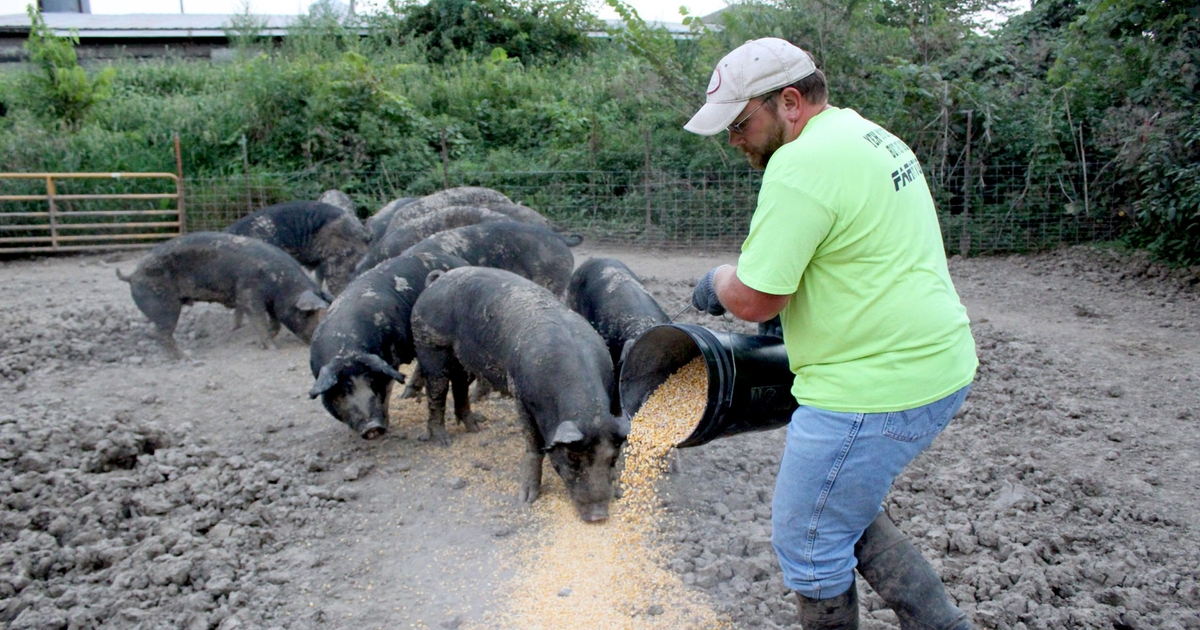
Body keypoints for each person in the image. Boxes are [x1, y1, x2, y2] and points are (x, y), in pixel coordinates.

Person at [684, 38, 978, 630]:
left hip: (872, 387)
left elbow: (758, 296)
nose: (735, 141)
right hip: (936, 361)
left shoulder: (800, 165)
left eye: (740, 125)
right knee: (844, 511)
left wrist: (717, 281)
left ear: (789, 102)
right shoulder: (868, 136)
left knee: (808, 540)